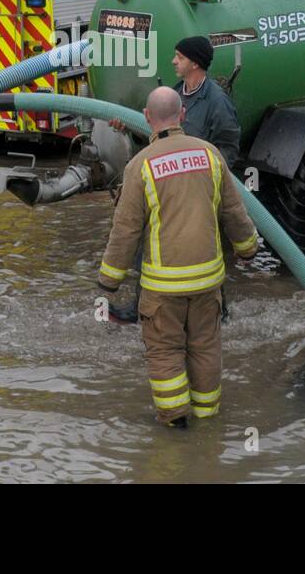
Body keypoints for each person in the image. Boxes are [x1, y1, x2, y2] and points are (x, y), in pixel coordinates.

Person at [97, 87, 258, 427]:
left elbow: (125, 229)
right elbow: (234, 212)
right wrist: (247, 249)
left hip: (162, 288)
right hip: (207, 283)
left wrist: (109, 279)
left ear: (146, 117)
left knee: (165, 351)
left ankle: (176, 424)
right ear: (182, 115)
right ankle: (207, 420)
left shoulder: (139, 166)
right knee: (205, 348)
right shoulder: (211, 155)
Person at [171, 36, 241, 168]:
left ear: (195, 64)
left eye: (180, 57)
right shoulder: (174, 94)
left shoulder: (218, 101)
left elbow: (228, 149)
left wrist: (205, 174)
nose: (174, 61)